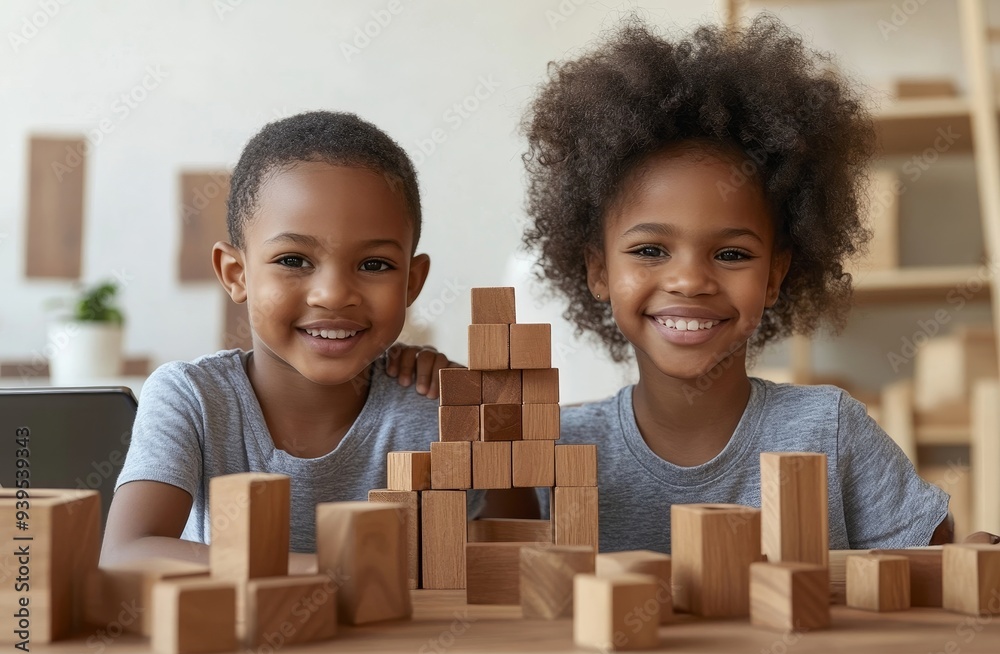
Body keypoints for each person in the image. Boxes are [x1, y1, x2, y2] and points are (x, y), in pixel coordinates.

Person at [519, 16, 985, 553]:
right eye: (650, 250)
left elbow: (937, 569)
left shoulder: (829, 431)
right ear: (598, 271)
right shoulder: (558, 446)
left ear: (775, 276)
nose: (690, 280)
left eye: (732, 254)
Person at [102, 111, 473, 570]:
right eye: (294, 259)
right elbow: (127, 554)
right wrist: (337, 573)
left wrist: (485, 416)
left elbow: (503, 555)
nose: (334, 294)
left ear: (412, 282)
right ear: (236, 275)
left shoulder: (430, 406)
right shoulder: (193, 398)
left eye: (375, 264)